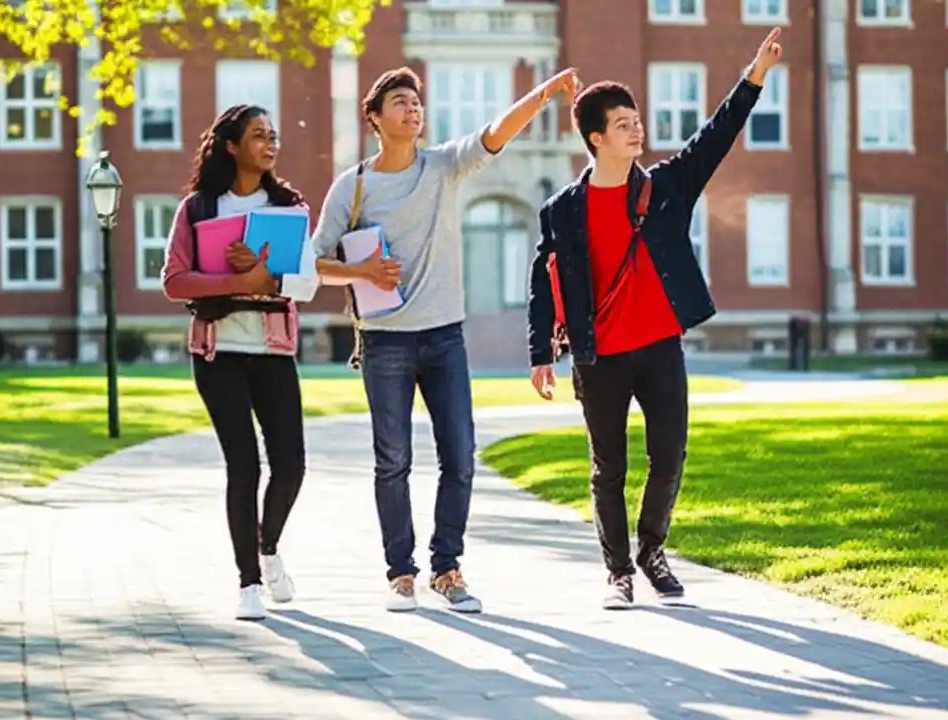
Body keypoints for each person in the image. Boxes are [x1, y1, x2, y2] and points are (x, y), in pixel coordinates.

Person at [526, 29, 784, 609]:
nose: (636, 129)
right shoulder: (563, 210)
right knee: (608, 468)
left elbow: (715, 136)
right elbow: (544, 282)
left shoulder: (665, 187)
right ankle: (618, 572)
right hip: (601, 356)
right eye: (623, 123)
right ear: (596, 138)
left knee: (669, 457)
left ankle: (652, 550)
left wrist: (755, 74)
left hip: (661, 347)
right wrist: (540, 352)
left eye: (636, 119)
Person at [310, 65, 579, 613]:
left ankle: (446, 567)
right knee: (394, 460)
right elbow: (313, 262)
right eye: (401, 103)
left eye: (417, 102)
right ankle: (400, 572)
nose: (413, 110)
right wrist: (362, 274)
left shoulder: (443, 168)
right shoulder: (353, 185)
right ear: (376, 118)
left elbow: (495, 133)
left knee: (460, 456)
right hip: (385, 341)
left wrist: (545, 93)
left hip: (444, 339)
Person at [161, 104, 320, 621]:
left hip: (272, 351)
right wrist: (237, 283)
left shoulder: (288, 206)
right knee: (244, 466)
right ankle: (248, 582)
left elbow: (310, 282)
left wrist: (268, 280)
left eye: (273, 135)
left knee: (292, 466)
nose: (270, 143)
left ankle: (267, 547)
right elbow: (174, 280)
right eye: (257, 135)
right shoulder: (199, 209)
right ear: (231, 145)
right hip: (217, 353)